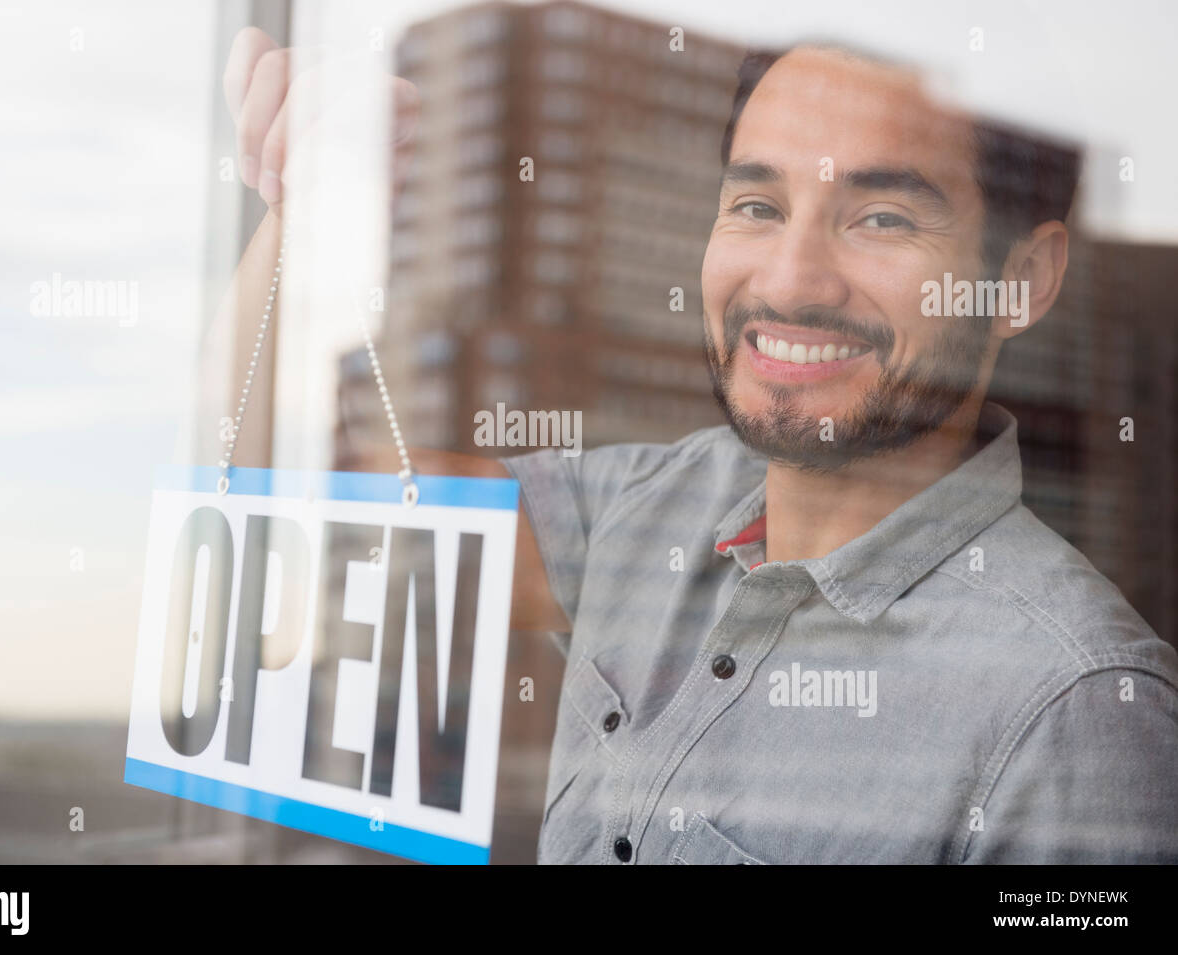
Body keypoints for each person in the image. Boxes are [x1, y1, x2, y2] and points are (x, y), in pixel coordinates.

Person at [219, 30, 1178, 864]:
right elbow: (290, 500)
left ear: (1023, 279)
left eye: (881, 218)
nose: (792, 281)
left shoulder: (1082, 715)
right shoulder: (644, 509)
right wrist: (303, 203)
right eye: (757, 206)